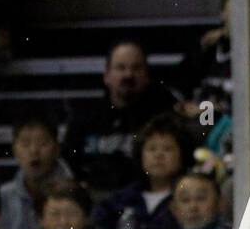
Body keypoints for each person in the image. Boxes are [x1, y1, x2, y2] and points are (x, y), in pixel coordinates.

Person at [63, 39, 179, 195]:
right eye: (121, 68)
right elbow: (69, 162)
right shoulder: (84, 118)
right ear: (107, 75)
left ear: (146, 75)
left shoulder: (164, 117)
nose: (128, 75)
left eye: (136, 68)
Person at [93, 114, 191, 229]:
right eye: (151, 149)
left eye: (167, 149)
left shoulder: (190, 199)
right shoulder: (119, 200)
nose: (159, 155)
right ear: (140, 155)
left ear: (182, 156)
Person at [0, 114, 75, 229]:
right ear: (14, 150)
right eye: (25, 144)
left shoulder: (75, 193)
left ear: (57, 149)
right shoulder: (4, 195)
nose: (34, 151)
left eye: (43, 143)